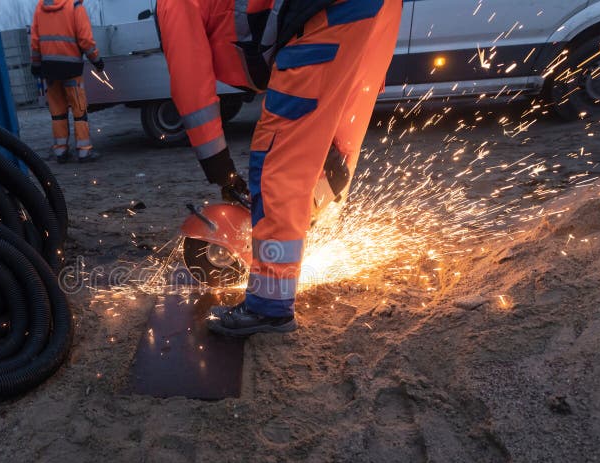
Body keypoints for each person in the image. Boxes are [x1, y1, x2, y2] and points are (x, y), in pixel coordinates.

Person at [157, 0, 403, 336]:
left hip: (320, 13)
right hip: (375, 10)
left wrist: (220, 168)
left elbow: (191, 83)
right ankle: (302, 230)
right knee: (334, 148)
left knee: (277, 162)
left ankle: (269, 306)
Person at [31, 0, 103, 164]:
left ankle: (61, 151)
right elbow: (85, 39)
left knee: (57, 114)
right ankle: (84, 152)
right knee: (79, 111)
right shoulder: (75, 7)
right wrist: (96, 60)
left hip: (49, 69)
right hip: (72, 68)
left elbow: (35, 41)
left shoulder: (40, 8)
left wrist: (36, 65)